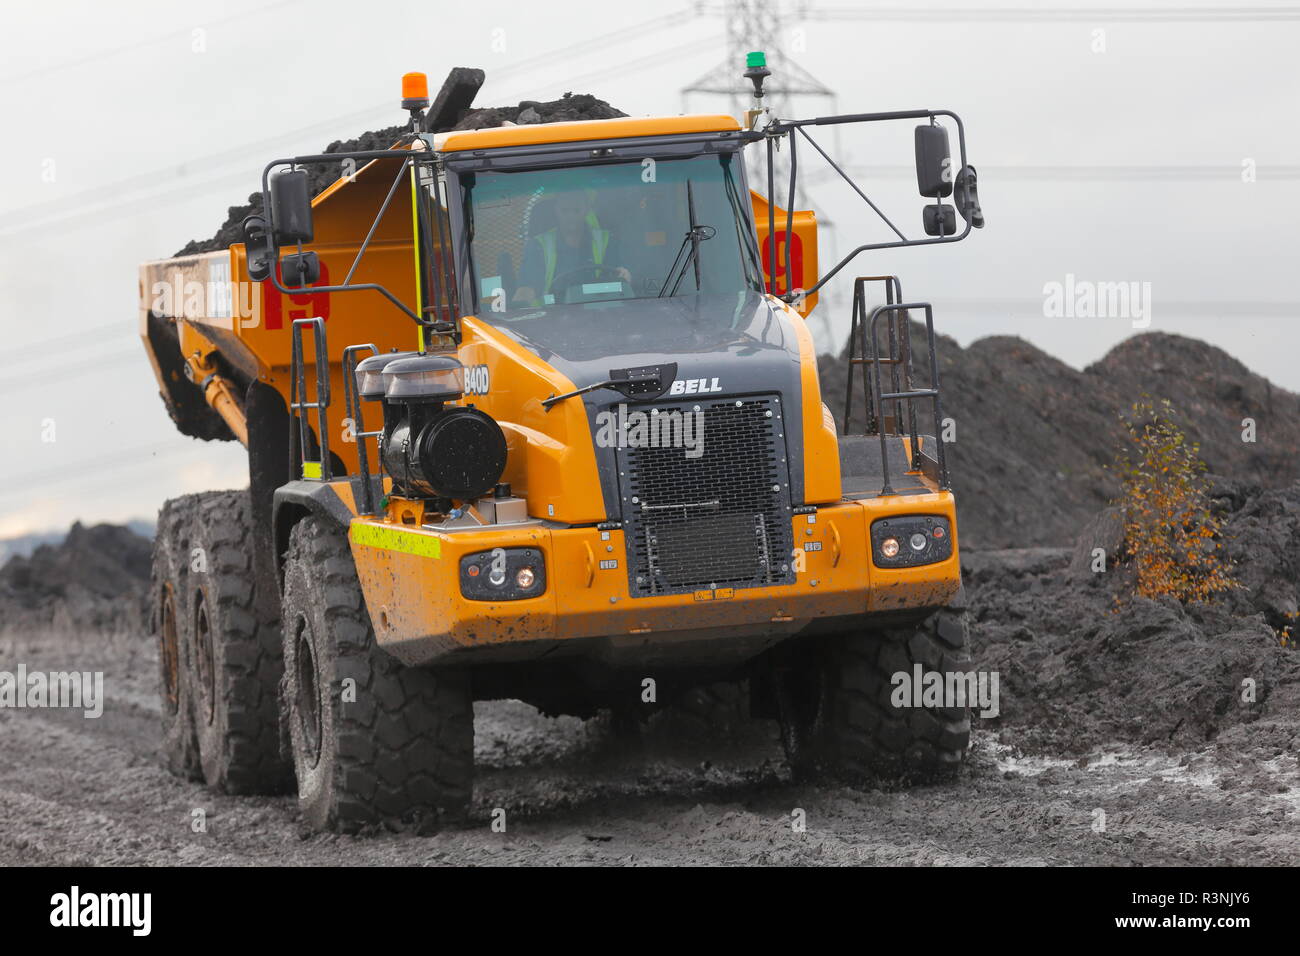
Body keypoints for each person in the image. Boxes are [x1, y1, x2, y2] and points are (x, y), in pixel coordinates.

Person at [514, 189, 631, 306]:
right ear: (556, 210)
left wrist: (625, 275)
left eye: (576, 210)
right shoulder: (538, 245)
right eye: (565, 210)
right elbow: (528, 288)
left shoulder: (607, 240)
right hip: (552, 316)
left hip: (600, 312)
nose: (571, 216)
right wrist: (521, 302)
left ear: (587, 210)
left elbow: (620, 279)